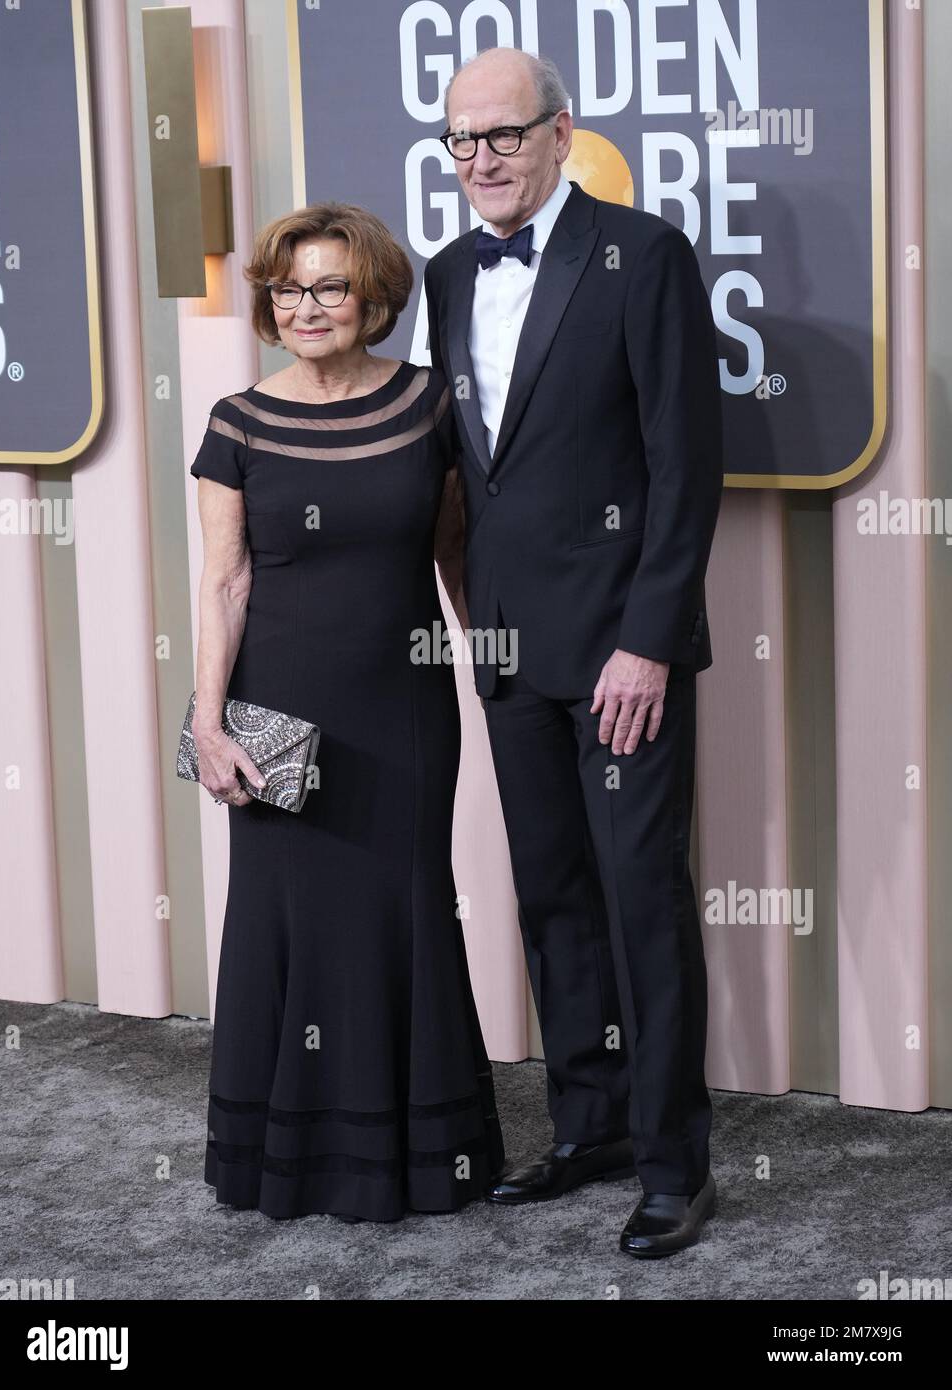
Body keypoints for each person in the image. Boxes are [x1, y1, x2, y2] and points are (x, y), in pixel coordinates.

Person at [424, 47, 724, 1256]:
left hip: (619, 656)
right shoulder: (447, 275)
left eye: (505, 134)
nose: (483, 159)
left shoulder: (642, 255)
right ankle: (591, 1124)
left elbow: (684, 466)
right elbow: (465, 474)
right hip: (506, 650)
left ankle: (674, 1162)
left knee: (641, 898)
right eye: (463, 141)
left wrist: (648, 644)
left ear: (560, 133)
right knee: (553, 901)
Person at [189, 201, 504, 1223]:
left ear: (373, 299)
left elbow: (454, 552)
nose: (306, 306)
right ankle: (293, 1158)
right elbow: (225, 584)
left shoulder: (427, 407)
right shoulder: (237, 422)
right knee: (285, 922)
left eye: (329, 286)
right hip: (279, 708)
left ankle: (421, 1154)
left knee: (406, 907)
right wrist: (207, 720)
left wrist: (495, 663)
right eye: (288, 289)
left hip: (404, 702)